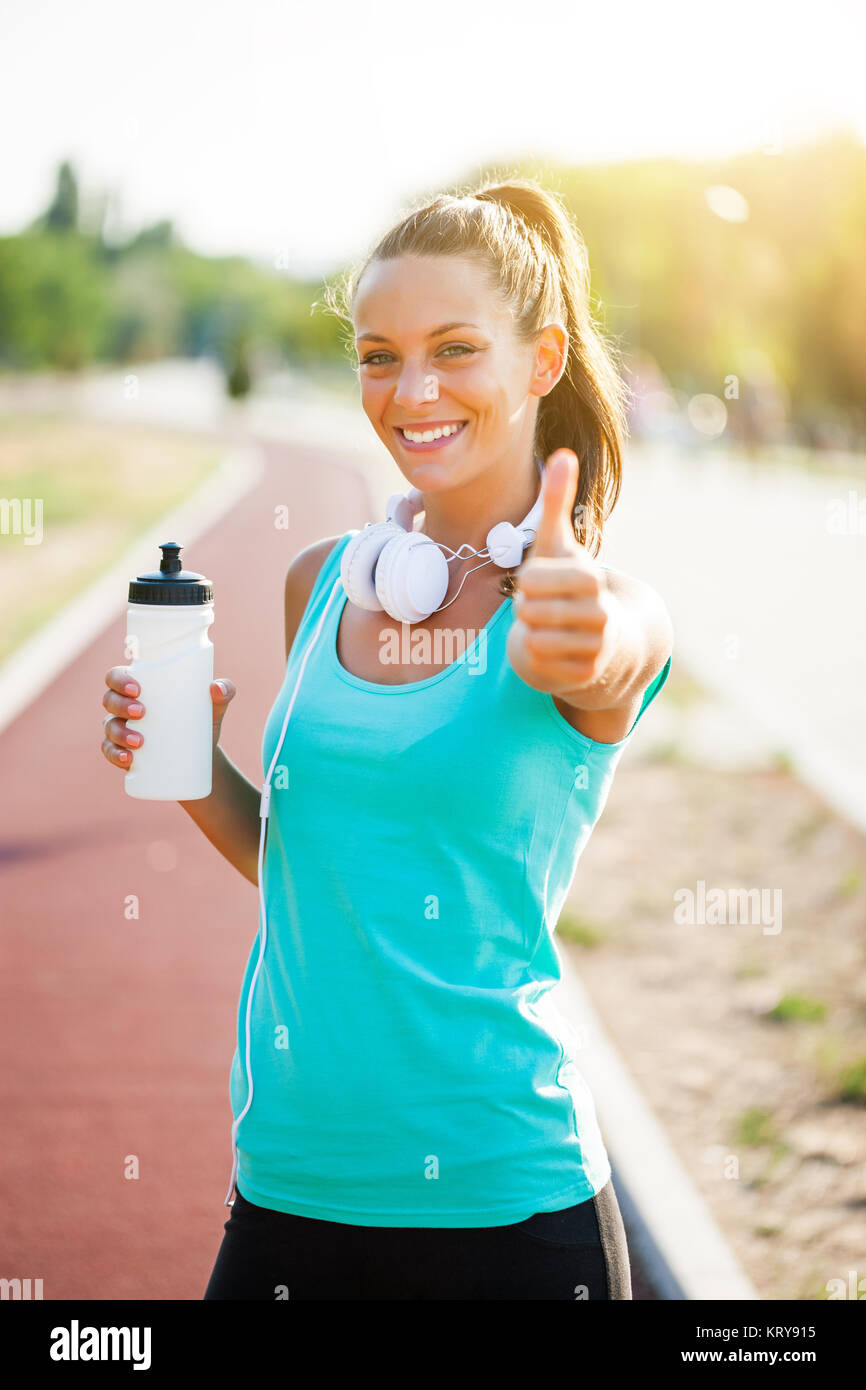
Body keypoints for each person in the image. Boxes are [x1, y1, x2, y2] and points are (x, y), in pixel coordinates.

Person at [101, 177, 673, 1300]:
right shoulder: (321, 583)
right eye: (377, 355)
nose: (411, 391)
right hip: (287, 1189)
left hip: (506, 1204)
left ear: (541, 360)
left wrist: (581, 631)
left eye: (455, 349)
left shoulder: (586, 600)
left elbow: (614, 646)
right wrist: (186, 772)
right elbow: (302, 868)